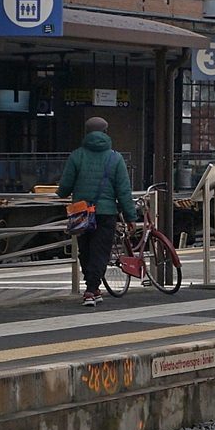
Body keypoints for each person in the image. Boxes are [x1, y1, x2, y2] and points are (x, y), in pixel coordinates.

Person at [56, 116, 137, 307]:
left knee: (85, 251)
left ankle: (92, 288)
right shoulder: (115, 158)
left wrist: (60, 193)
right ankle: (91, 290)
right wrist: (130, 217)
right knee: (100, 252)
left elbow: (65, 188)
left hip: (81, 212)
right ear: (106, 132)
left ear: (87, 133)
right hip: (106, 213)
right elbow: (123, 191)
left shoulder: (76, 156)